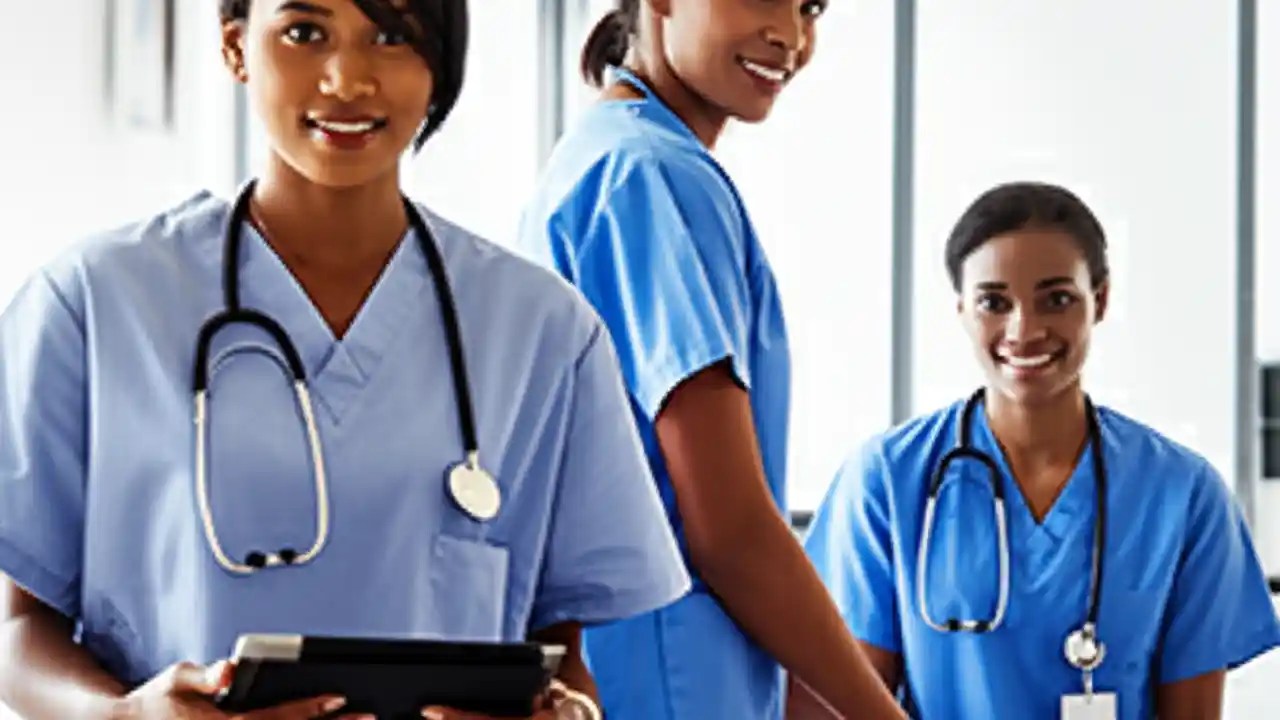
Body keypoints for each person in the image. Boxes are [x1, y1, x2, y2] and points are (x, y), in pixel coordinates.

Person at [0, 1, 691, 719]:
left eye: (392, 37)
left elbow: (560, 657)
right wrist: (124, 716)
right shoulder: (96, 303)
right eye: (305, 32)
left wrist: (573, 713)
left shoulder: (546, 334)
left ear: (439, 66)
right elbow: (15, 631)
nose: (347, 79)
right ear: (237, 48)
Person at [515, 1, 907, 718]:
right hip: (666, 677)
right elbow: (729, 533)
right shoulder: (650, 177)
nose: (790, 34)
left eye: (809, 7)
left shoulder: (599, 157)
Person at [794, 181, 1280, 719]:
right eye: (994, 303)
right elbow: (841, 704)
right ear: (961, 310)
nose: (1024, 330)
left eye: (1056, 299)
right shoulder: (887, 481)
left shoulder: (1183, 495)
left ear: (1100, 300)